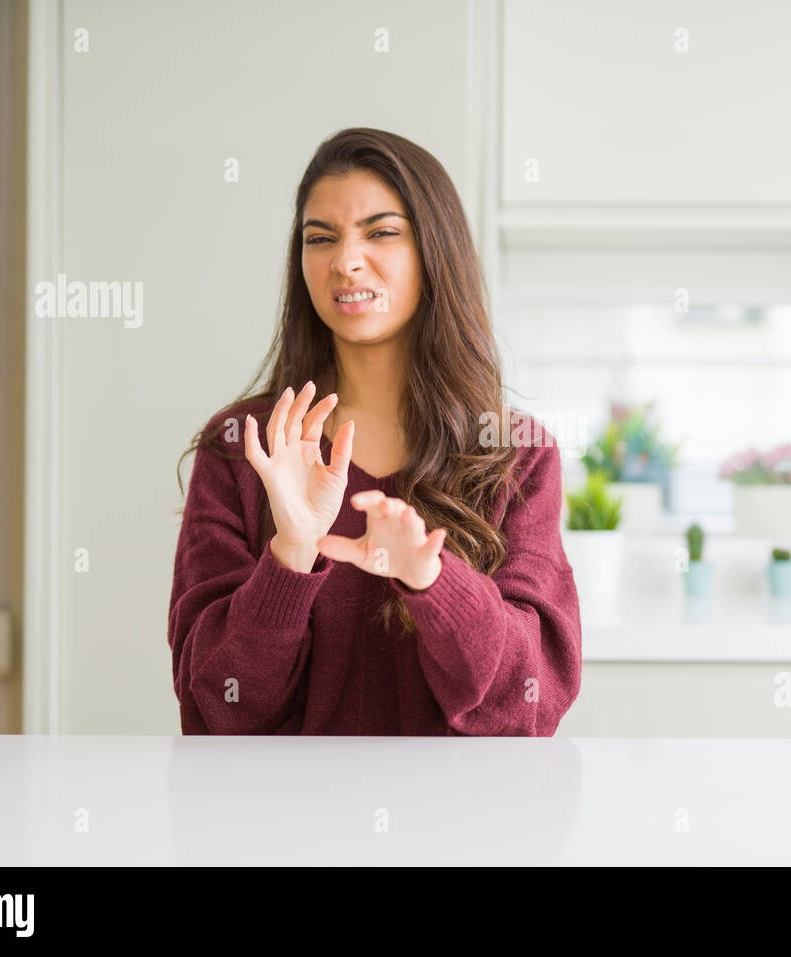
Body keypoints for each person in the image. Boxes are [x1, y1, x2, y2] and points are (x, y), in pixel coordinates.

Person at [168, 128, 582, 735]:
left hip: (462, 824)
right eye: (321, 238)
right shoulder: (244, 447)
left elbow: (529, 702)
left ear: (434, 250)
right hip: (276, 824)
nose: (345, 261)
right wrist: (290, 553)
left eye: (381, 231)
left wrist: (433, 581)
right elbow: (219, 706)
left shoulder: (515, 453)